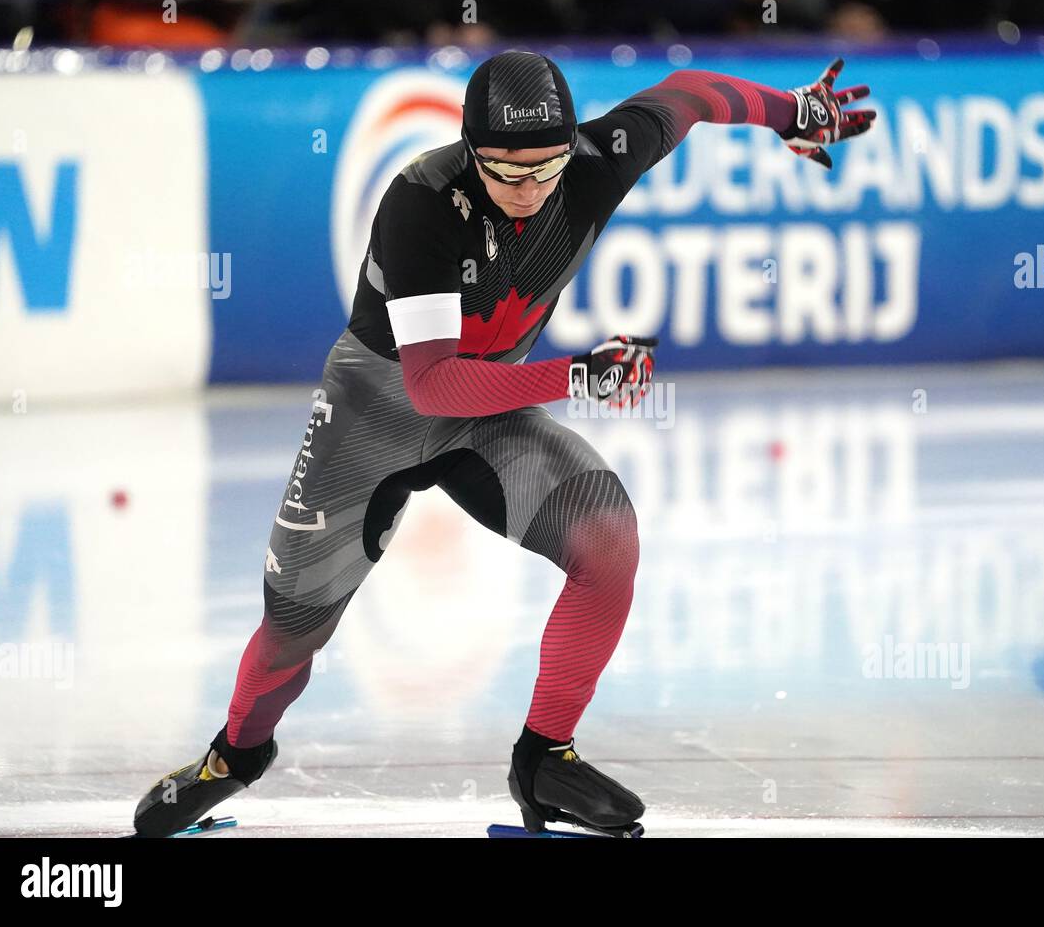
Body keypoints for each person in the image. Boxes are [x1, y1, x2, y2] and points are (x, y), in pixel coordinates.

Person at [132, 49, 875, 837]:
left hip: (485, 407)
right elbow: (431, 386)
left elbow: (690, 95)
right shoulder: (422, 198)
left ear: (572, 149)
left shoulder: (599, 161)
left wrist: (795, 111)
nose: (526, 192)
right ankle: (234, 759)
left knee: (607, 537)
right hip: (375, 410)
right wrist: (578, 378)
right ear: (467, 149)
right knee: (292, 631)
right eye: (503, 172)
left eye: (545, 170)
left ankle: (546, 760)